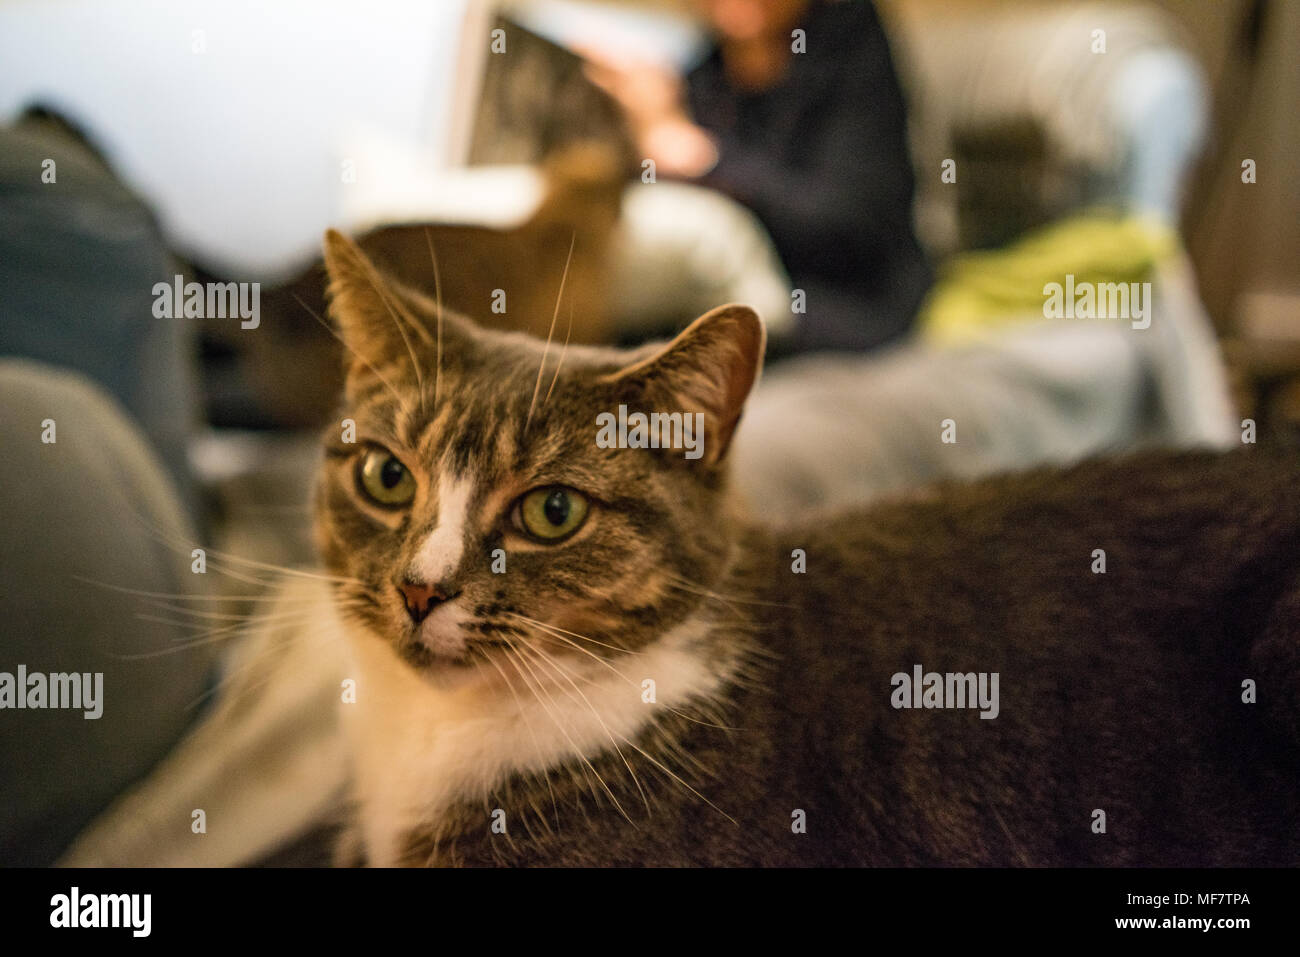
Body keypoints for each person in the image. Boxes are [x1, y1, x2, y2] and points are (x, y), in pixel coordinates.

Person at [588, 0, 932, 353]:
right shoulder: (703, 67)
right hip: (707, 306)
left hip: (844, 310)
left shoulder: (850, 47)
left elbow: (848, 228)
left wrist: (697, 157)